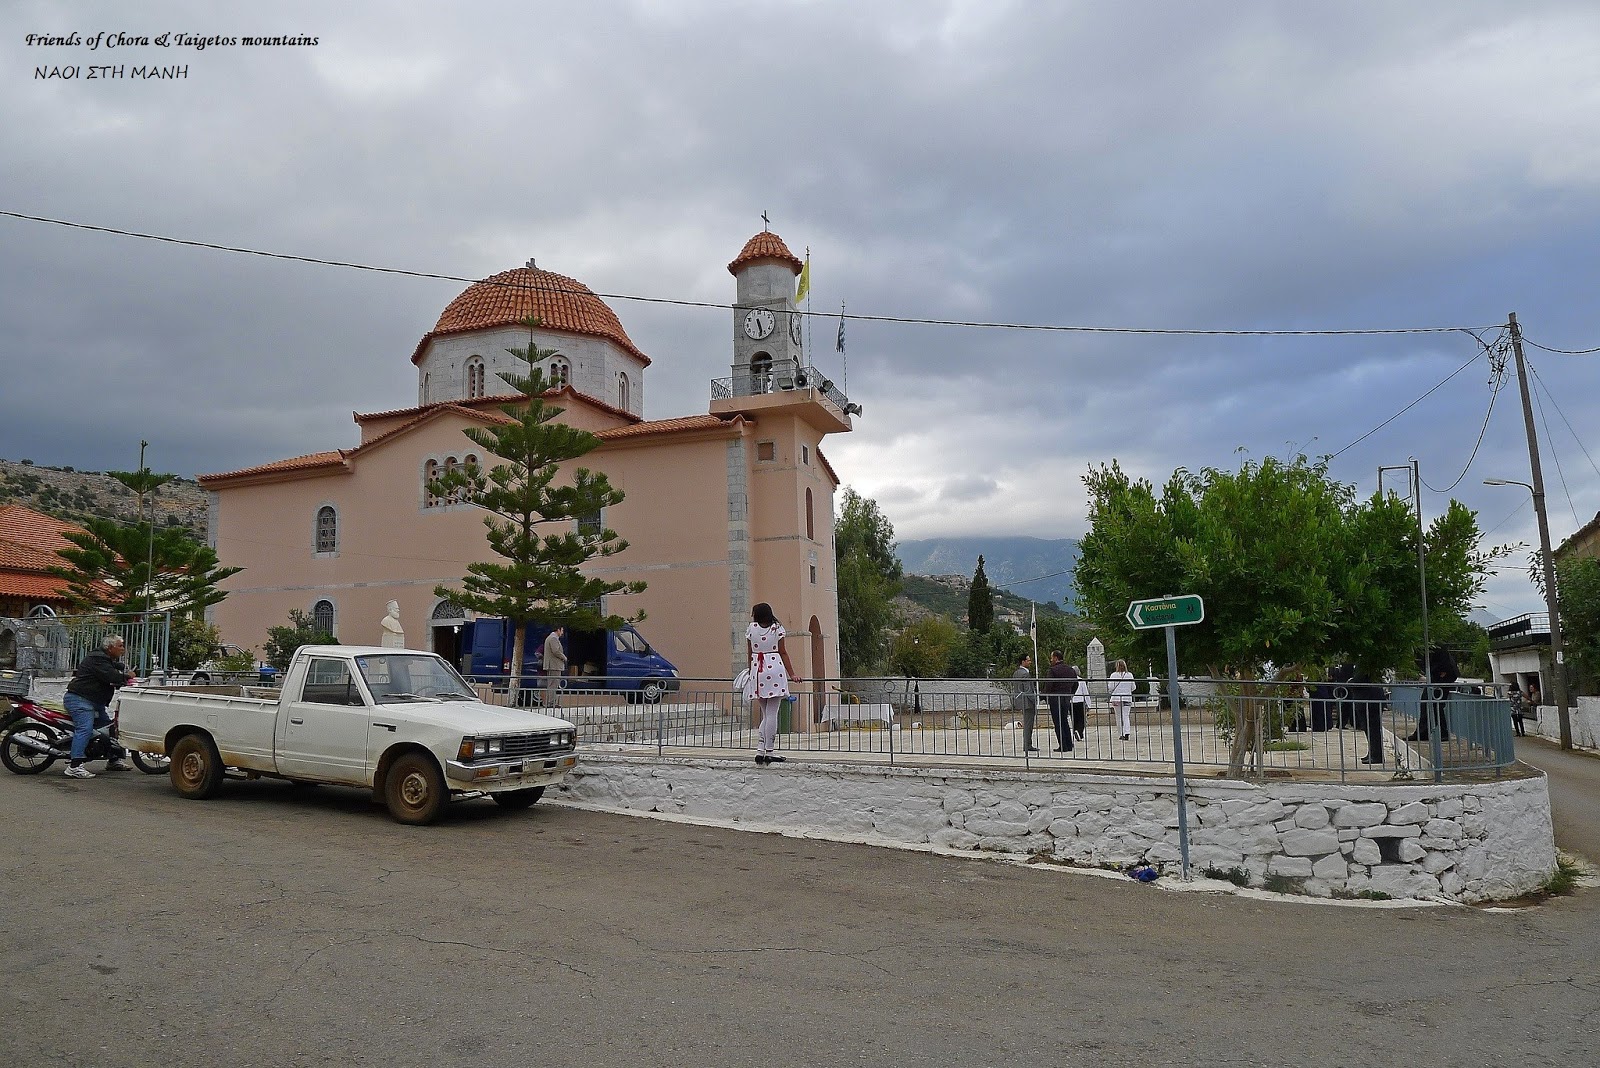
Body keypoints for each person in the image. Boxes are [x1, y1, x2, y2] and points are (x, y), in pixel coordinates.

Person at [62, 634, 134, 779]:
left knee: (110, 729)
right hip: (80, 700)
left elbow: (111, 672)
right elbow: (110, 675)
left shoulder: (105, 659)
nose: (123, 649)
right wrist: (126, 676)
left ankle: (113, 760)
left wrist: (122, 674)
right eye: (120, 646)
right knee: (85, 729)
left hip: (94, 702)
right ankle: (74, 766)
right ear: (110, 647)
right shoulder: (98, 658)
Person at [746, 602, 800, 765]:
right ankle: (769, 750)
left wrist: (751, 672)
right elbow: (783, 652)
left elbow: (750, 653)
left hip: (757, 670)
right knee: (772, 713)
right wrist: (792, 674)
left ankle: (760, 750)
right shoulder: (777, 629)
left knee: (765, 713)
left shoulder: (751, 628)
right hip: (775, 668)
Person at [1043, 651, 1074, 753]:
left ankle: (1063, 745)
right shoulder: (1070, 670)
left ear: (1056, 658)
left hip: (1055, 698)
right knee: (1064, 721)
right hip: (1066, 698)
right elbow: (1076, 684)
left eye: (1051, 658)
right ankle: (1069, 744)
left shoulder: (1053, 670)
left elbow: (1049, 685)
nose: (1051, 660)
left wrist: (1045, 696)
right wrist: (1070, 694)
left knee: (1058, 722)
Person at [1011, 654, 1038, 752]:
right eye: (1028, 660)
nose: (1030, 662)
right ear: (1023, 662)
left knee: (1027, 723)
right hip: (1028, 702)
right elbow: (1028, 690)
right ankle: (1027, 745)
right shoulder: (1025, 674)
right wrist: (1034, 700)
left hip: (1020, 700)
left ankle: (1027, 744)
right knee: (1028, 724)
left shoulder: (1016, 673)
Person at [1108, 659, 1136, 741]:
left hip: (1116, 698)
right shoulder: (1129, 675)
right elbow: (1133, 687)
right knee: (1126, 715)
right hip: (1127, 698)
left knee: (1118, 716)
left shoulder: (1113, 675)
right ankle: (1127, 732)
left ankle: (1121, 734)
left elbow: (1110, 687)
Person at [541, 625, 567, 708]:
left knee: (552, 684)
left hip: (553, 665)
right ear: (558, 630)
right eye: (562, 630)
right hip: (554, 665)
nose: (562, 633)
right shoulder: (553, 638)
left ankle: (550, 702)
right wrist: (564, 657)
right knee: (553, 684)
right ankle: (551, 702)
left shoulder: (552, 638)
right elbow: (556, 651)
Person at [1070, 666, 1089, 741]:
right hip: (1080, 701)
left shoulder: (1068, 680)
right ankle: (1079, 732)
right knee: (1081, 719)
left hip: (1071, 702)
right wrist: (1088, 703)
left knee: (1074, 718)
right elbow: (1085, 692)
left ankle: (1075, 730)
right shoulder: (1081, 681)